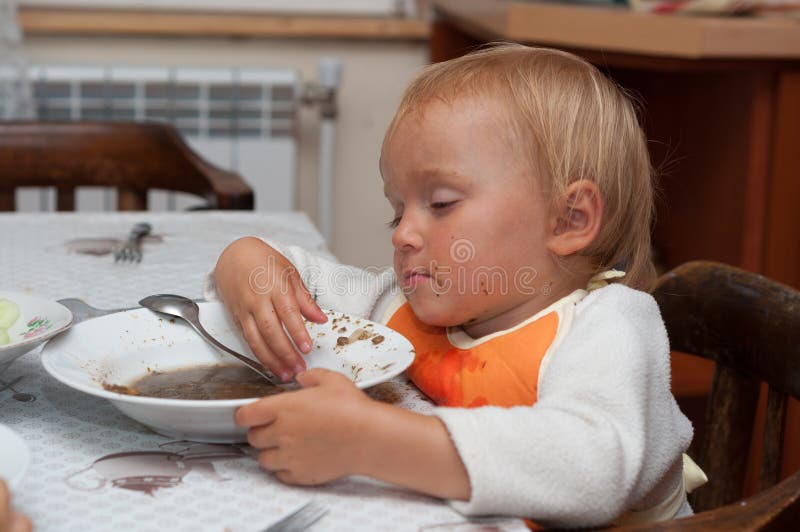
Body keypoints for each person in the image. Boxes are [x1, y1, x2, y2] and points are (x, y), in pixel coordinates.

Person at [207, 43, 702, 528]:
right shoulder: (408, 306)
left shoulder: (610, 325)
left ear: (568, 220)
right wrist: (244, 261)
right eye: (397, 210)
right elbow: (302, 288)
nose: (402, 234)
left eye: (441, 203)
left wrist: (373, 441)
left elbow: (591, 470)